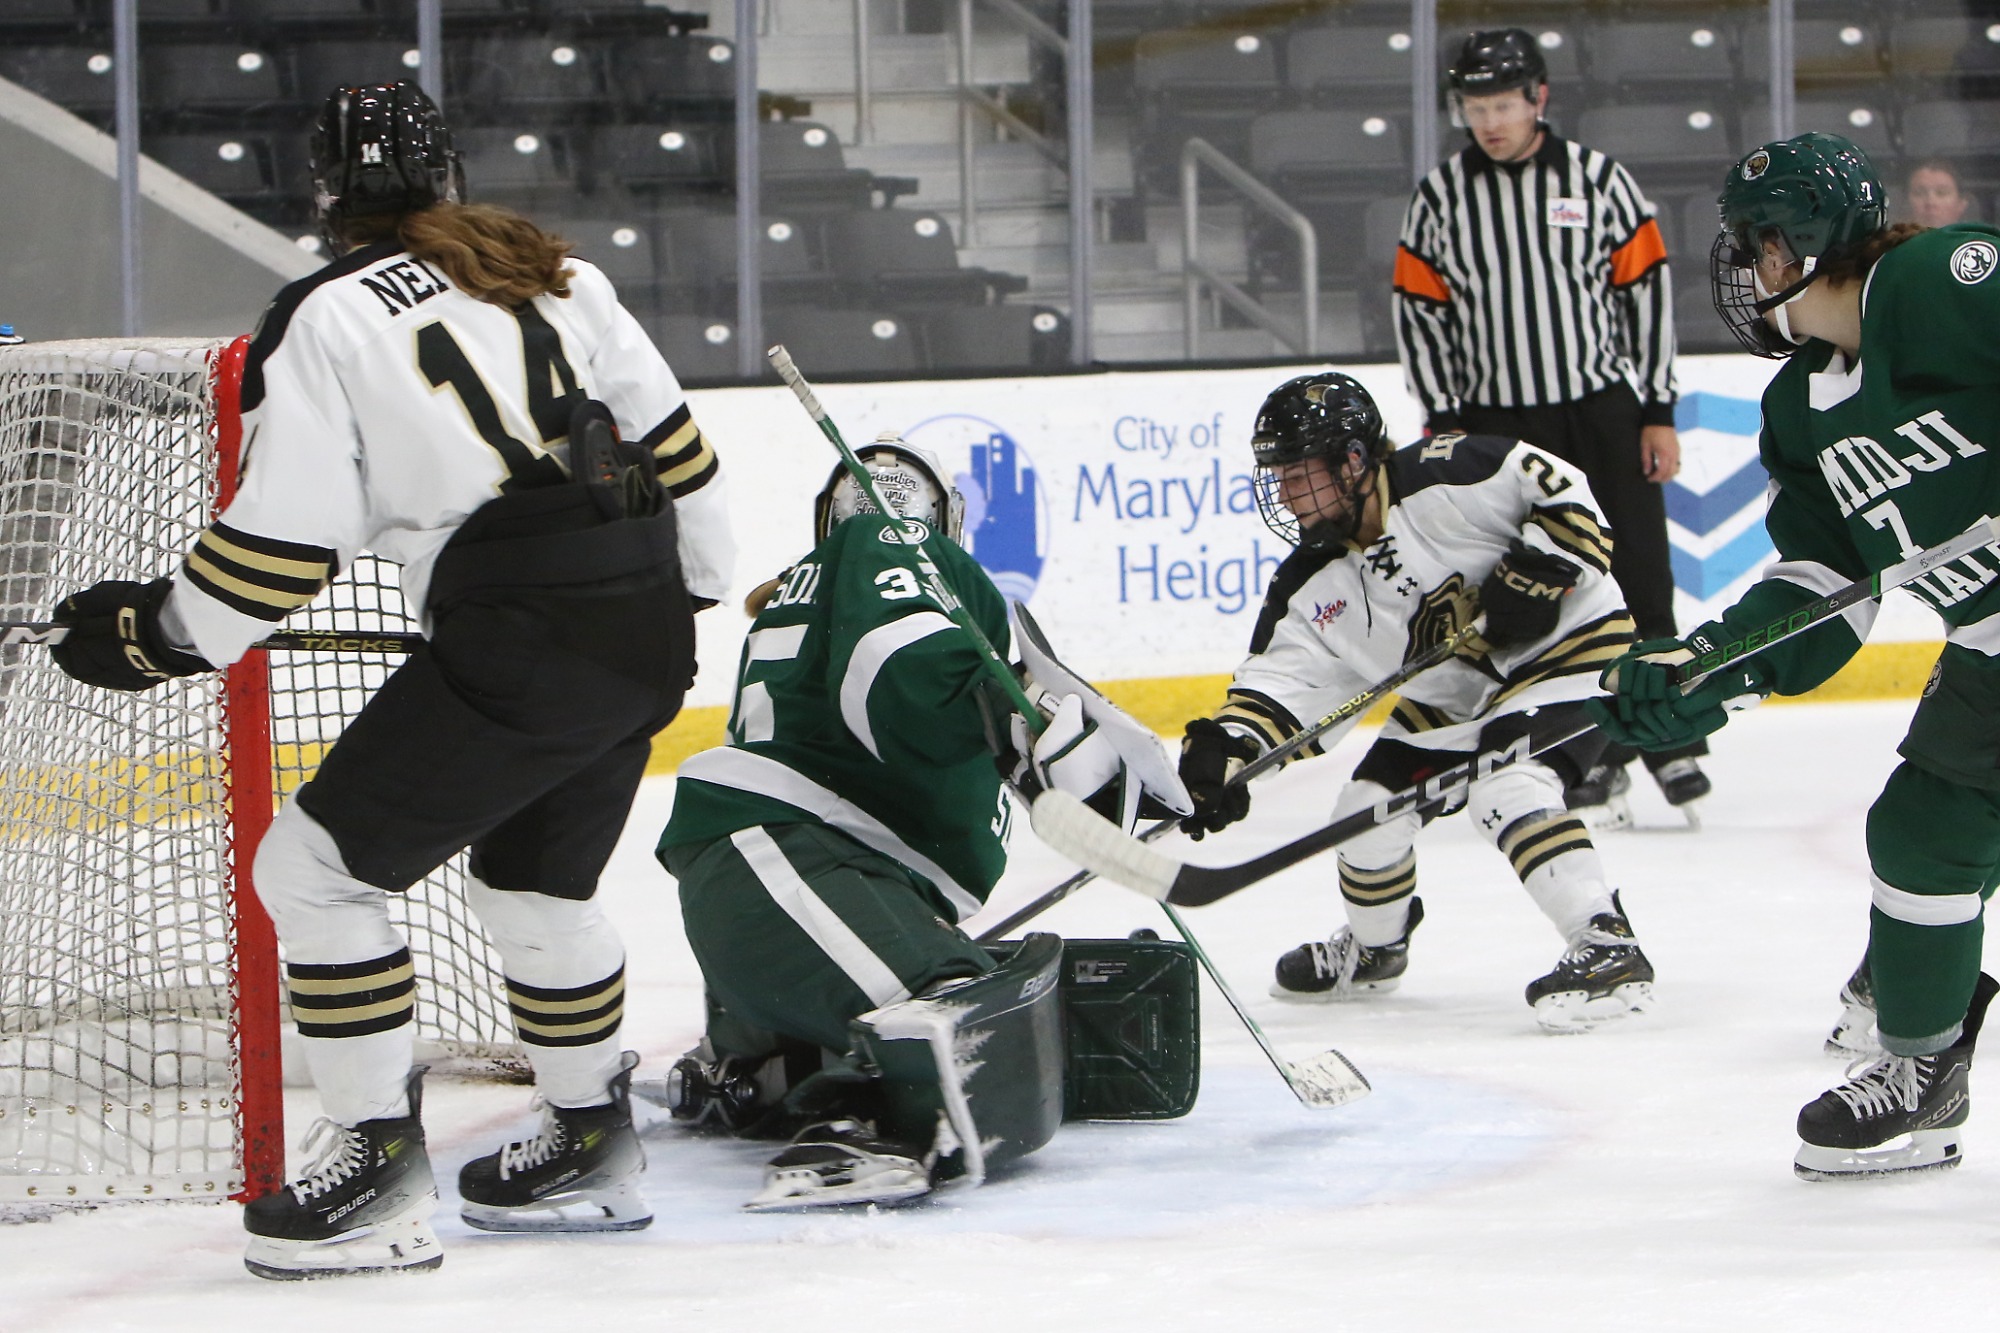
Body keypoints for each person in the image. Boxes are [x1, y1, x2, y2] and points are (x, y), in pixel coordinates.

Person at [45, 81, 734, 1276]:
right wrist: (690, 591)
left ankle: (372, 1168)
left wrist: (162, 633)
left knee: (307, 868)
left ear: (325, 193)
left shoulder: (323, 316)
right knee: (533, 890)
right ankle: (589, 1140)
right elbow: (678, 455)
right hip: (641, 618)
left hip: (521, 633)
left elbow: (283, 540)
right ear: (448, 173)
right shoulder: (555, 271)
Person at [1592, 131, 2000, 1179]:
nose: (1744, 269)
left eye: (1749, 243)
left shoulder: (1931, 282)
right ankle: (1920, 1072)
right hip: (1988, 652)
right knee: (1919, 831)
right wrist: (1713, 665)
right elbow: (1821, 587)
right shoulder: (1798, 410)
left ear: (1792, 245)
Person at [656, 438, 1187, 1208]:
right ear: (941, 521)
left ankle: (766, 1061)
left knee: (964, 994)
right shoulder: (891, 547)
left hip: (793, 882)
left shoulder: (821, 581)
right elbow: (898, 662)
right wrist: (1013, 719)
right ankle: (860, 1112)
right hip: (788, 853)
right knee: (957, 1017)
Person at [1177, 372, 1653, 1032]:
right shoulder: (1310, 579)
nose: (1284, 492)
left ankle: (1606, 944)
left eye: (1297, 471)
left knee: (1509, 783)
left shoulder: (1446, 471)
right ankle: (1376, 948)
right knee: (1363, 813)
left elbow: (1563, 492)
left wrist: (1539, 569)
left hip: (1567, 652)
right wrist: (1227, 751)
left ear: (1352, 461)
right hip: (1454, 697)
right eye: (1277, 475)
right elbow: (1280, 686)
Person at [1394, 28, 1708, 825]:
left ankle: (1667, 735)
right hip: (1498, 431)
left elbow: (1646, 295)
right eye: (1475, 107)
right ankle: (1569, 746)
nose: (1490, 121)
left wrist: (1658, 408)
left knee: (1640, 572)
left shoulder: (1600, 181)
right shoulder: (1438, 199)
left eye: (1503, 104)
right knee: (1524, 592)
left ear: (1539, 99)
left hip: (1602, 412)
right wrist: (1446, 428)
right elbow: (1420, 317)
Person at [1905, 158, 1973, 230]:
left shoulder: (1978, 240)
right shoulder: (1894, 240)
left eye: (1942, 193)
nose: (1930, 202)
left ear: (1961, 204)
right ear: (1906, 203)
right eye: (1919, 193)